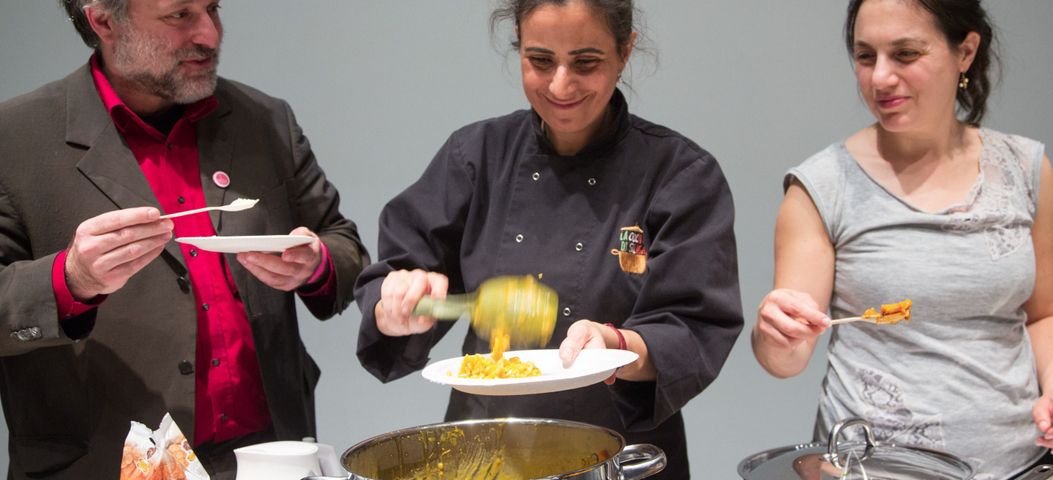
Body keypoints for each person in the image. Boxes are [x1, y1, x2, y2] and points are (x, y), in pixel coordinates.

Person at [353, 1, 742, 478]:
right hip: (482, 448)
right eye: (540, 61)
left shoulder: (679, 174)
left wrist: (616, 344)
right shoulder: (476, 156)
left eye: (586, 62)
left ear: (625, 51)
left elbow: (693, 324)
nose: (560, 85)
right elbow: (396, 270)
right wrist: (394, 303)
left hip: (622, 455)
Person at [0, 0, 368, 478]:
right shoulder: (15, 138)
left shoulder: (265, 120)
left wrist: (316, 264)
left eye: (212, 8)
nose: (210, 34)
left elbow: (343, 244)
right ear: (104, 21)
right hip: (108, 462)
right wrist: (69, 280)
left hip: (266, 456)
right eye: (179, 15)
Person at [752, 0, 1053, 478]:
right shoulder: (822, 186)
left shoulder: (1026, 168)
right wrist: (776, 334)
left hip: (1020, 465)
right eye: (865, 56)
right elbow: (785, 359)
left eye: (905, 54)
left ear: (965, 51)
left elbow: (1044, 314)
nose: (880, 78)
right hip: (873, 469)